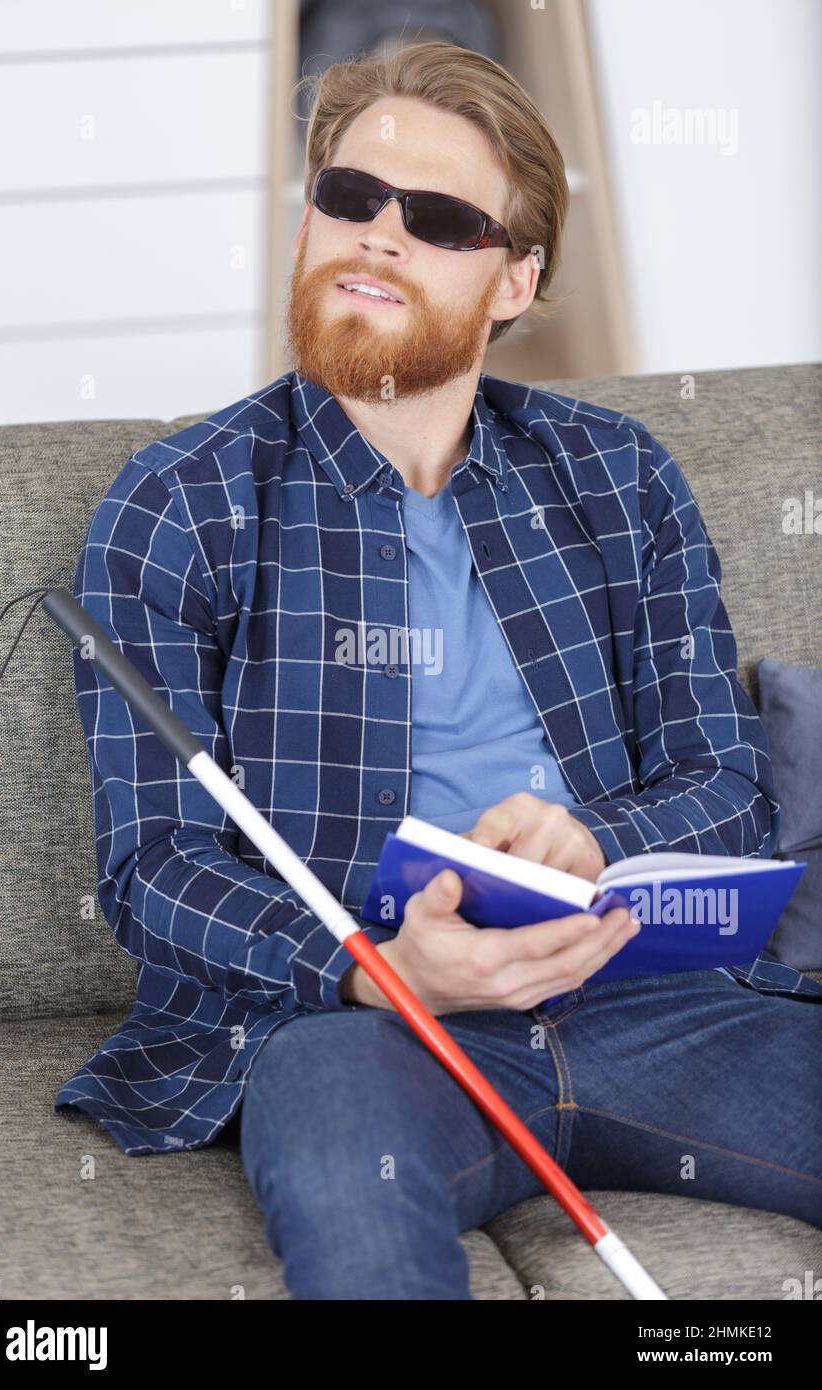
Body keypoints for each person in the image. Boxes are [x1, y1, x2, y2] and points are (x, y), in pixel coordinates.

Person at [54, 41, 822, 1298]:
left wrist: (589, 839)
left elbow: (723, 783)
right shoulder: (179, 504)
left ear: (515, 277)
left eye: (441, 219)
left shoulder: (619, 478)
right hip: (357, 1030)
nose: (375, 238)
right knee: (362, 1249)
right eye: (349, 198)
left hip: (647, 998)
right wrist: (370, 962)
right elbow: (151, 870)